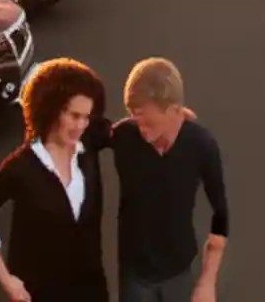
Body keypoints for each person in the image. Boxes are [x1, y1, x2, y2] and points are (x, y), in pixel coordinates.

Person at [87, 57, 230, 302]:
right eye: (134, 115)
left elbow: (221, 215)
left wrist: (207, 283)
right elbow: (77, 131)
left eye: (146, 117)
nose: (139, 125)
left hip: (179, 274)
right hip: (135, 276)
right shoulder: (124, 135)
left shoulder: (202, 145)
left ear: (174, 110)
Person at [0, 58, 109, 302]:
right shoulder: (19, 169)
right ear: (50, 110)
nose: (81, 125)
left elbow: (129, 130)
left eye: (87, 117)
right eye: (74, 116)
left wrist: (172, 115)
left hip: (91, 289)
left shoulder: (90, 141)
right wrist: (8, 281)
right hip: (40, 292)